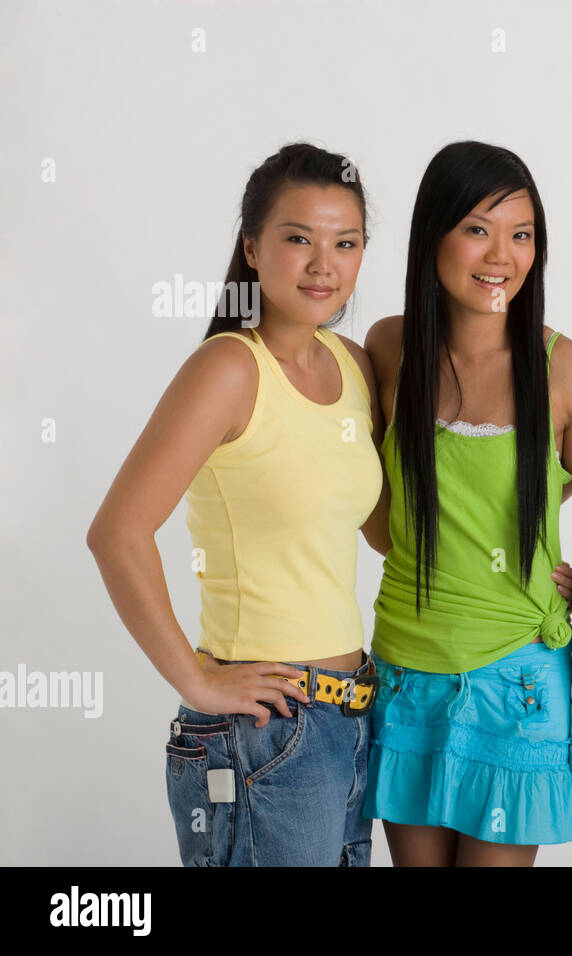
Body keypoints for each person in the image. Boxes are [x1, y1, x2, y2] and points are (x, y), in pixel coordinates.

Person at [88, 142, 387, 866]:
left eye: (345, 243)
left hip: (350, 715)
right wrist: (194, 678)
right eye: (298, 239)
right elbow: (117, 532)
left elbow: (380, 531)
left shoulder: (352, 366)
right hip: (265, 731)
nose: (324, 264)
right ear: (252, 247)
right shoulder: (227, 368)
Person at [361, 141, 572, 867]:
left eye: (522, 234)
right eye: (477, 228)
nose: (502, 254)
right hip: (406, 670)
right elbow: (385, 527)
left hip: (520, 680)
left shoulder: (567, 371)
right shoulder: (387, 350)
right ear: (430, 235)